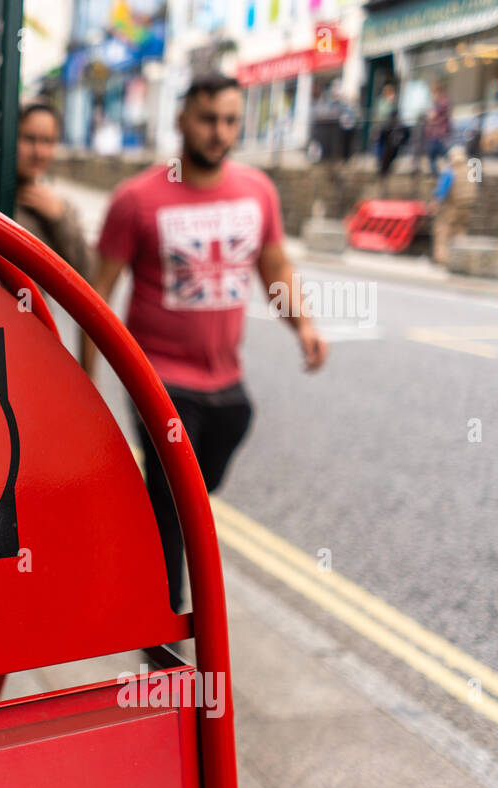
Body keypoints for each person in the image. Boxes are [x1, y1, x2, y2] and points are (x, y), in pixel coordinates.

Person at [91, 71, 329, 613]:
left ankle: (158, 572)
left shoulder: (257, 192)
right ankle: (166, 617)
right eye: (206, 119)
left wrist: (305, 326)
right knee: (174, 496)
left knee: (201, 475)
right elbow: (98, 296)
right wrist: (88, 385)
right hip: (158, 377)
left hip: (226, 380)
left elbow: (275, 269)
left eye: (228, 120)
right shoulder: (136, 200)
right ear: (181, 121)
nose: (218, 132)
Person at [11, 99, 98, 373]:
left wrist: (59, 218)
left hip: (32, 342)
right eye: (29, 139)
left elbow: (88, 275)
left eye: (48, 141)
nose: (39, 152)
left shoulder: (57, 207)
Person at [431, 145, 477, 265]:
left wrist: (435, 204)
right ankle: (460, 260)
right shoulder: (470, 170)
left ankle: (442, 259)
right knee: (459, 233)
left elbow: (442, 190)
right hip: (467, 207)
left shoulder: (450, 170)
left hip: (452, 206)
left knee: (442, 232)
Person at [424, 81, 453, 175]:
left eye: (434, 92)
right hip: (434, 134)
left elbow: (432, 116)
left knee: (443, 156)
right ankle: (439, 176)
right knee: (434, 157)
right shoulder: (438, 102)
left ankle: (445, 176)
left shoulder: (442, 102)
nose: (433, 94)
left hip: (439, 134)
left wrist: (430, 116)